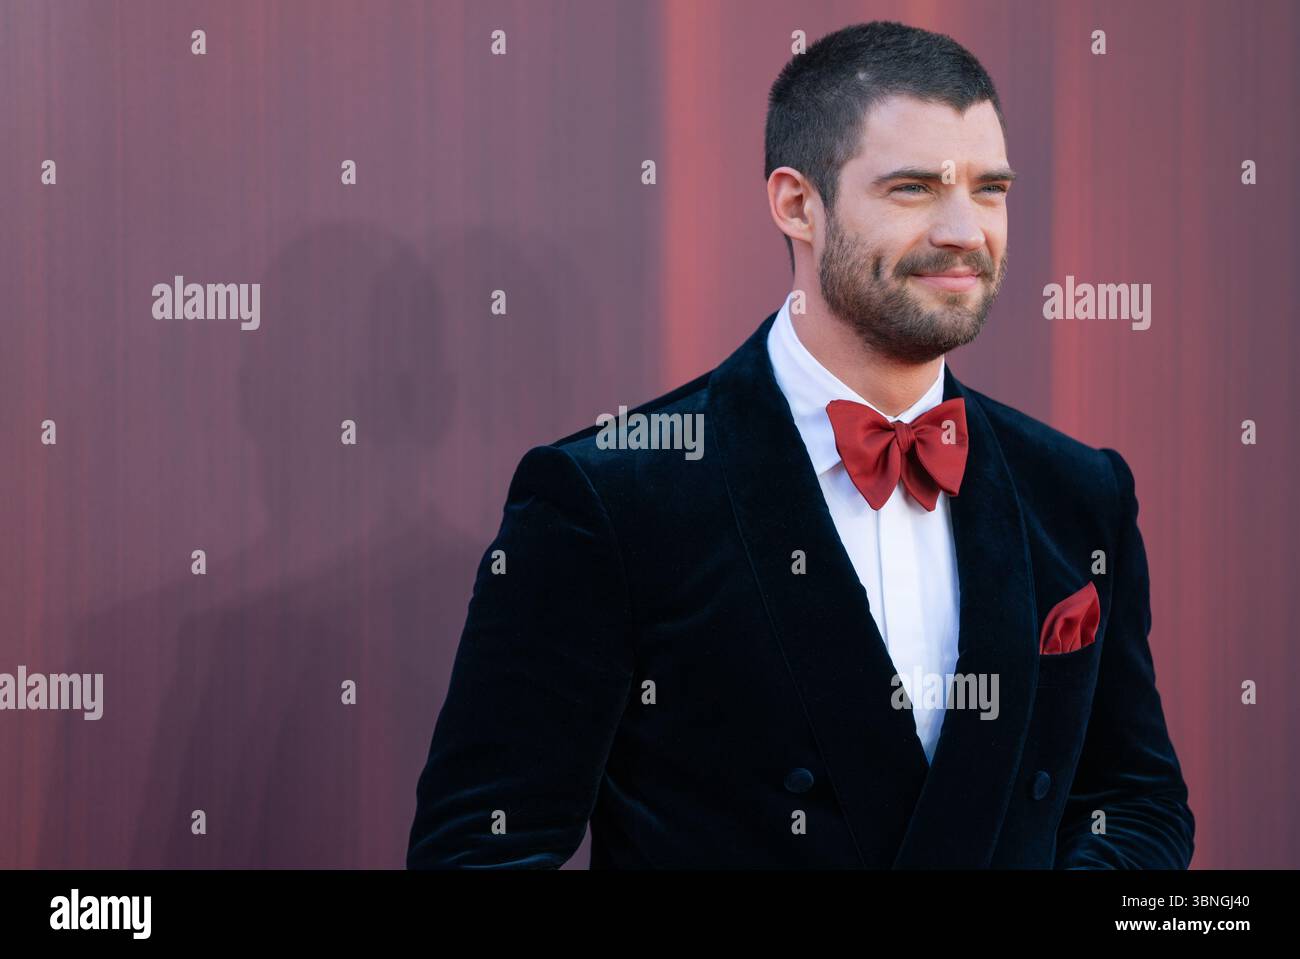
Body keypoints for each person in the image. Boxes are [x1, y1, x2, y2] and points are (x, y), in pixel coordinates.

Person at [407, 20, 1194, 869]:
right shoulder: (608, 497)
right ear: (796, 203)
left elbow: (1135, 805)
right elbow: (478, 851)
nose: (968, 231)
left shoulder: (1079, 493)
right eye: (915, 189)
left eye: (990, 188)